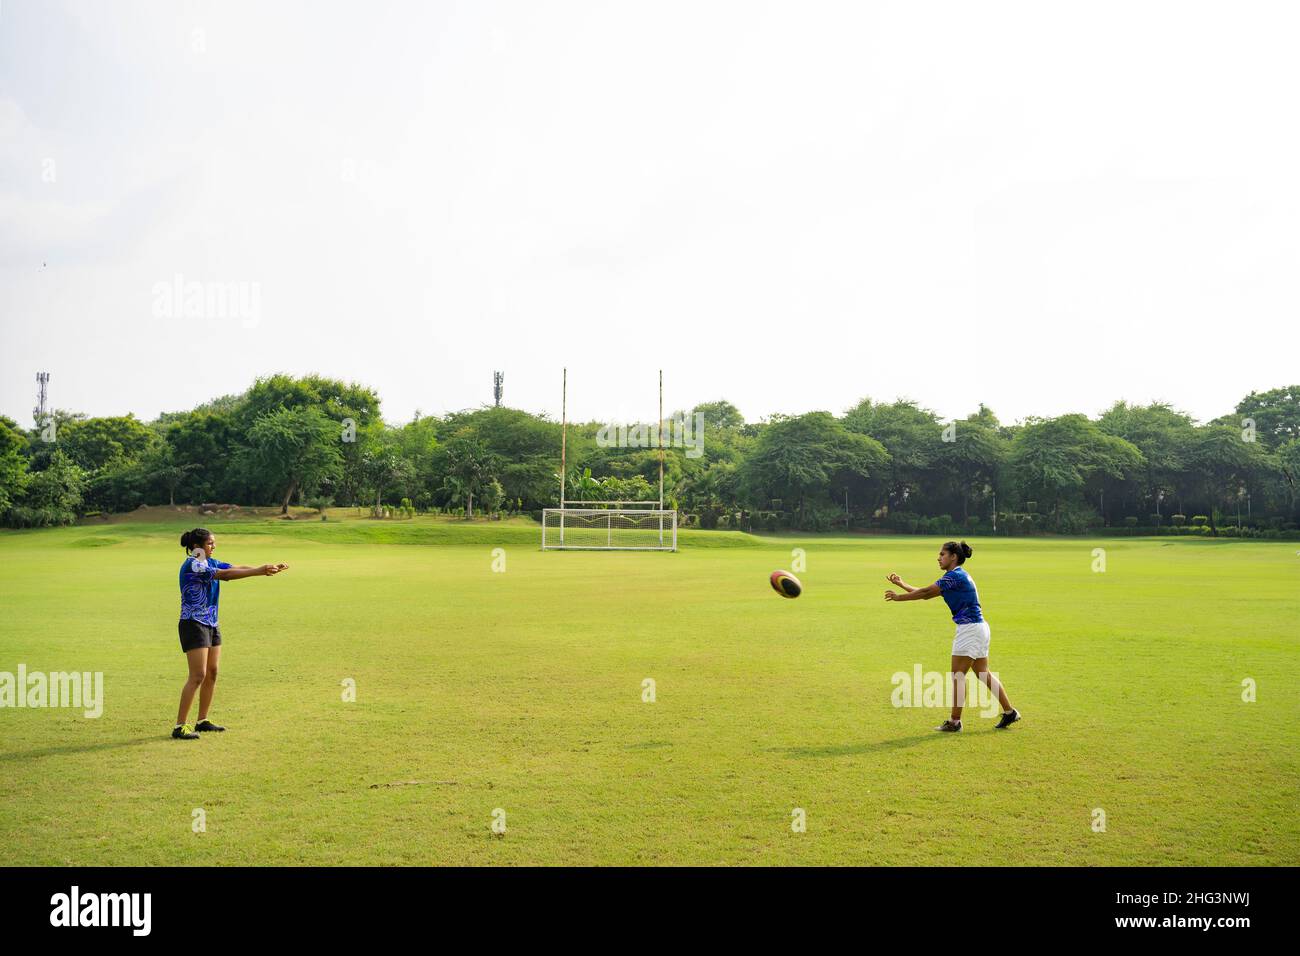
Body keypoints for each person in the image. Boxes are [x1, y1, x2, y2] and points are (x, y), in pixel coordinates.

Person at [884, 540, 1020, 732]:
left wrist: (899, 597)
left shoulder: (953, 577)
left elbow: (924, 593)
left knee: (958, 676)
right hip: (978, 628)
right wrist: (902, 584)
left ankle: (955, 722)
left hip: (970, 630)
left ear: (953, 557)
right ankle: (1010, 712)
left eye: (942, 554)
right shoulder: (955, 577)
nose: (938, 558)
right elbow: (926, 593)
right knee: (983, 673)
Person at [173, 527, 288, 740]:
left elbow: (234, 567)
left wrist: (265, 567)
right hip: (193, 623)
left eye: (214, 543)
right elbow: (225, 576)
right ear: (197, 547)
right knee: (197, 675)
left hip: (211, 622)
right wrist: (259, 571)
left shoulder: (209, 561)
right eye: (210, 543)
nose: (214, 546)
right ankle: (180, 726)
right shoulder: (194, 564)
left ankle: (202, 720)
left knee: (212, 671)